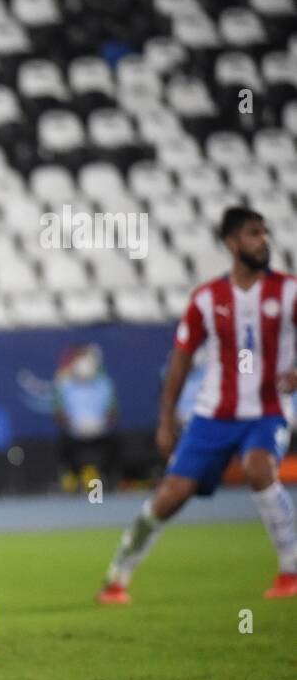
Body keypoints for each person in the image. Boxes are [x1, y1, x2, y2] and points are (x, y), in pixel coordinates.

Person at [99, 207, 297, 602]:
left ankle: (290, 573)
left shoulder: (289, 291)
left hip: (267, 410)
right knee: (171, 495)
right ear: (231, 243)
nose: (263, 241)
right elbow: (181, 360)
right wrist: (166, 420)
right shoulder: (207, 299)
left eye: (264, 233)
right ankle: (117, 576)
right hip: (212, 416)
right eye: (253, 233)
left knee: (261, 468)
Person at [54, 344, 119, 491]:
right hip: (74, 428)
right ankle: (70, 476)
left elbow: (112, 412)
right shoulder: (65, 384)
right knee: (63, 441)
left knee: (113, 441)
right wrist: (70, 424)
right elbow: (59, 411)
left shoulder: (104, 384)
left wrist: (103, 424)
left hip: (99, 428)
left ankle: (103, 476)